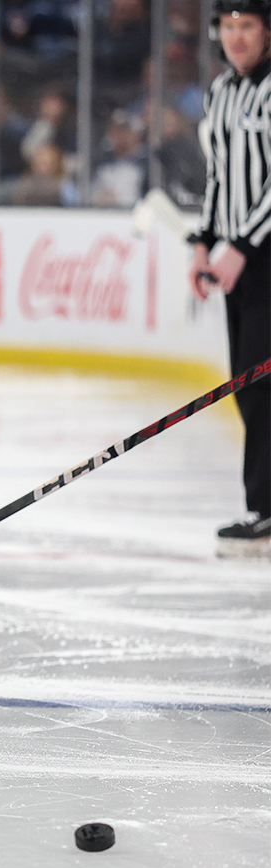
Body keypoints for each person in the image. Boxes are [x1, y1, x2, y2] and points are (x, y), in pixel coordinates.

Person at [187, 0, 271, 554]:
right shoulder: (220, 92)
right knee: (247, 382)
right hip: (240, 263)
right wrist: (203, 242)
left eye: (248, 26)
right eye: (228, 26)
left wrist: (240, 246)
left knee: (262, 387)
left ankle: (264, 509)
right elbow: (218, 176)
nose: (236, 37)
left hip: (263, 256)